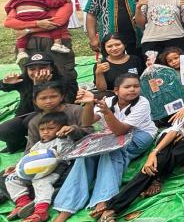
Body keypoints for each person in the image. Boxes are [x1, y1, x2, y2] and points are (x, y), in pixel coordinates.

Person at [97, 82, 184, 221]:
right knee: (157, 161)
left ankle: (113, 206)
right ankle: (115, 206)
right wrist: (153, 152)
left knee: (180, 150)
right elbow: (173, 132)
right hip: (169, 139)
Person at [53, 74, 157, 222]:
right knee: (86, 156)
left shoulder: (142, 103)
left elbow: (121, 131)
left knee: (113, 153)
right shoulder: (107, 101)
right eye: (127, 87)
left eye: (136, 86)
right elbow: (87, 122)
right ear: (116, 90)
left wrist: (107, 112)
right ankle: (67, 207)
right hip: (111, 136)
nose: (133, 89)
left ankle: (104, 200)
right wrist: (89, 105)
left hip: (139, 135)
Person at [5, 111, 74, 222]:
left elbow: (66, 155)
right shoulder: (37, 145)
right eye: (42, 130)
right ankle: (22, 201)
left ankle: (41, 211)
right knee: (11, 178)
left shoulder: (63, 140)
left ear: (61, 128)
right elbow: (28, 158)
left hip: (53, 171)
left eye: (50, 129)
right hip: (34, 171)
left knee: (41, 182)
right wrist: (16, 166)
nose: (45, 132)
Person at [0, 54, 75, 153]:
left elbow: (66, 103)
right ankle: (20, 143)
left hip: (55, 116)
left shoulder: (63, 80)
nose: (37, 72)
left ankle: (43, 143)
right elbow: (4, 86)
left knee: (31, 121)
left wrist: (39, 85)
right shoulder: (24, 79)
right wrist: (5, 83)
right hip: (25, 115)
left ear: (51, 67)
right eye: (32, 69)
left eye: (42, 68)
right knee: (4, 130)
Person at [4, 0, 70, 64]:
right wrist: (37, 23)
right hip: (30, 44)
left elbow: (58, 22)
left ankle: (21, 52)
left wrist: (28, 30)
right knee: (31, 71)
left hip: (48, 42)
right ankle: (57, 44)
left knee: (61, 70)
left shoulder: (18, 1)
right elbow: (8, 23)